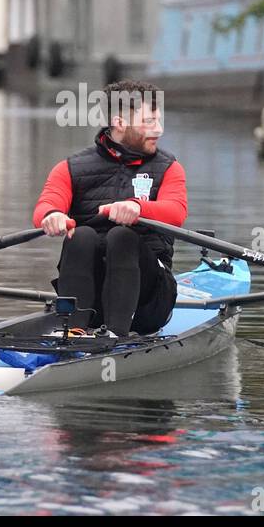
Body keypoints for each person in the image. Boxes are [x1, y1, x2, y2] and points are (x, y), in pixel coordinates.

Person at [32, 80, 187, 336]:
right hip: (92, 299)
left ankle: (116, 335)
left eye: (159, 121)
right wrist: (52, 216)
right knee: (80, 235)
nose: (158, 130)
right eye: (149, 121)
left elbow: (176, 213)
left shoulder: (169, 168)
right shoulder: (70, 168)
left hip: (149, 302)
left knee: (122, 236)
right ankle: (74, 330)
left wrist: (137, 209)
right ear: (118, 123)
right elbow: (46, 205)